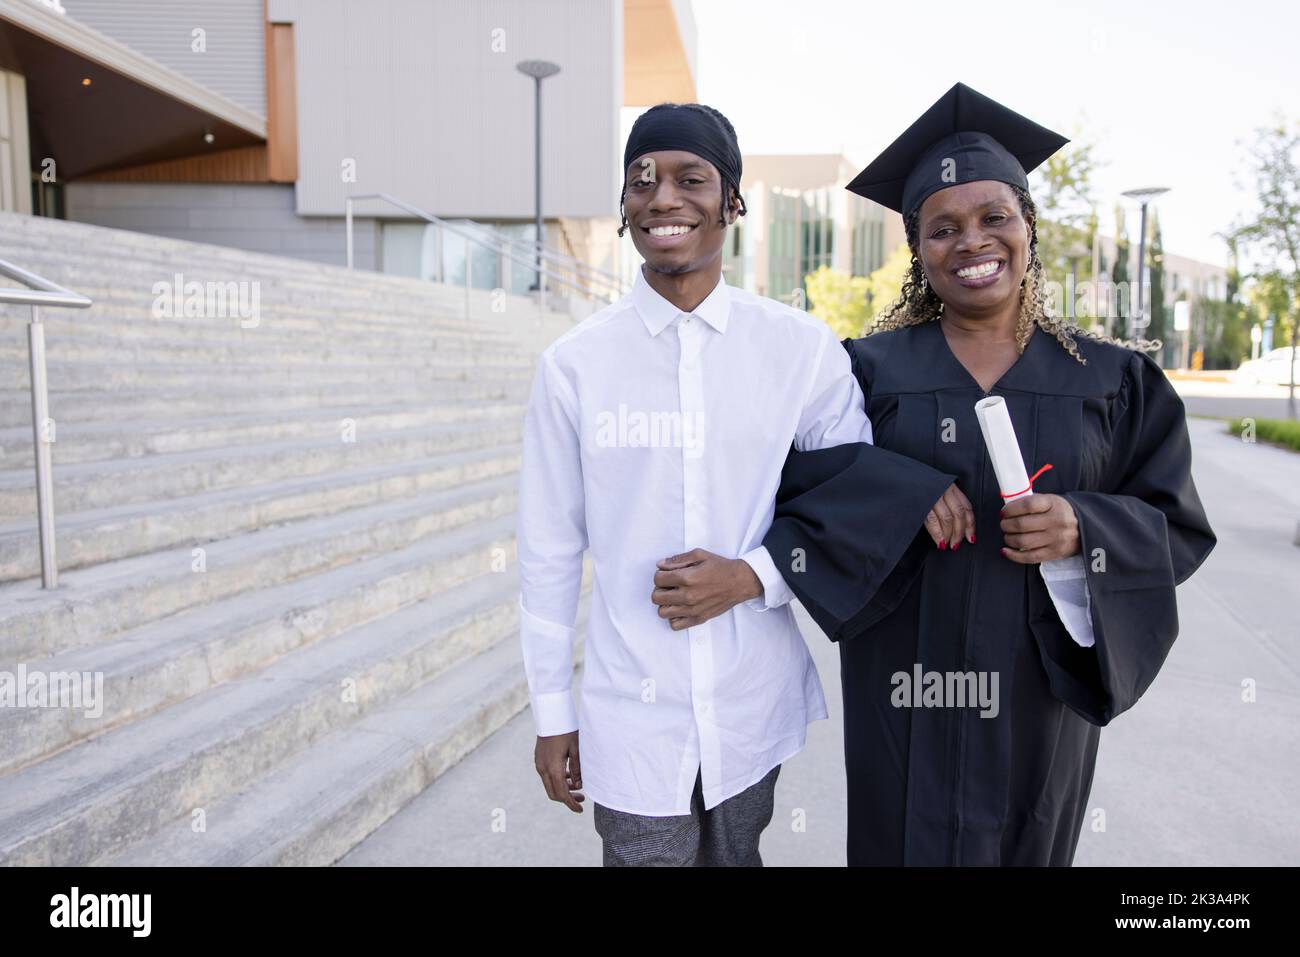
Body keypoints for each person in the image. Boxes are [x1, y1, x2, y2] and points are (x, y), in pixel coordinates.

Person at [668, 83, 1217, 866]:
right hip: (904, 676)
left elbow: (1176, 523)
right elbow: (794, 479)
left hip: (1040, 687)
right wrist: (903, 491)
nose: (971, 240)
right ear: (917, 249)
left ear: (1029, 225)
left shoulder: (1111, 378)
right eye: (942, 227)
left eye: (994, 216)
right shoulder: (864, 368)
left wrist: (1083, 527)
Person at [516, 102, 953, 866]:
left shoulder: (800, 350)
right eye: (642, 180)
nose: (664, 197)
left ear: (732, 203)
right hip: (631, 702)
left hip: (749, 697)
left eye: (693, 178)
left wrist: (751, 576)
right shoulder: (574, 368)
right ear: (623, 207)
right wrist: (553, 713)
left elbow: (850, 496)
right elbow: (548, 550)